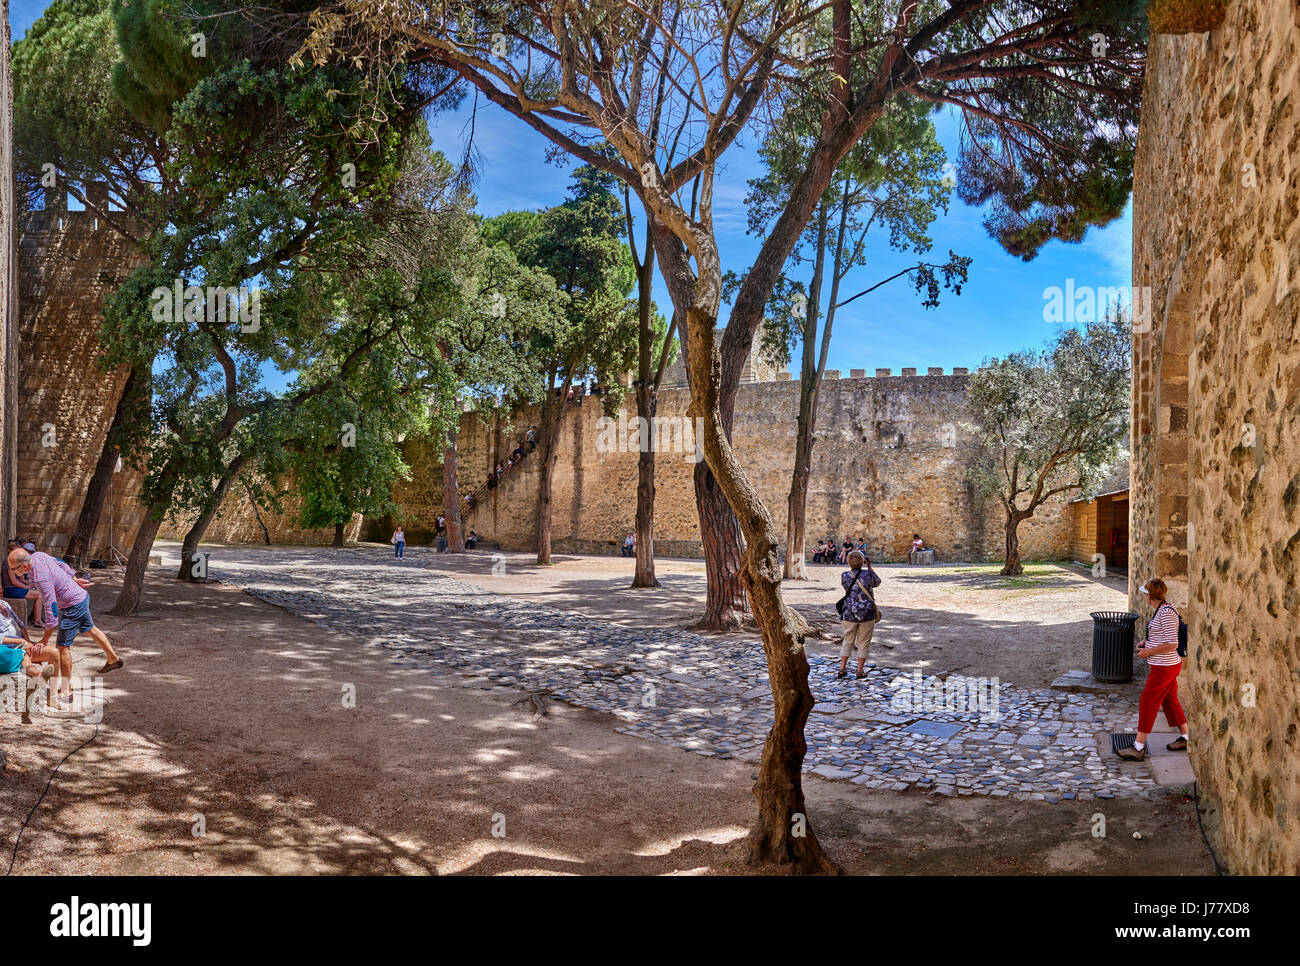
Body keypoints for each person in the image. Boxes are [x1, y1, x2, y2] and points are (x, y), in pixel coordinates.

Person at [7, 548, 122, 706]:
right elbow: (59, 562)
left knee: (62, 647)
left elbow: (51, 608)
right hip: (79, 596)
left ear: (24, 566)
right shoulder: (38, 555)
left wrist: (45, 639)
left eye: (13, 569)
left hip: (72, 606)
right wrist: (74, 578)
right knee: (90, 629)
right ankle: (113, 659)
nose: (11, 571)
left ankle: (66, 690)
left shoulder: (41, 579)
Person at [1117, 579, 1189, 760]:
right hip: (1166, 665)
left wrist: (1148, 651)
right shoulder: (1164, 609)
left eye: (1146, 594)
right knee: (1170, 700)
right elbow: (1163, 637)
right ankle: (1185, 737)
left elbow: (1172, 643)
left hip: (1165, 667)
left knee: (1147, 701)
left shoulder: (1165, 613)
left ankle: (1138, 747)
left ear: (1150, 596)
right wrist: (1146, 643)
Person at [837, 551, 882, 679]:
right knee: (864, 642)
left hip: (849, 612)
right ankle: (860, 670)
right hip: (867, 614)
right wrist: (869, 566)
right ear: (862, 561)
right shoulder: (868, 575)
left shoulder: (845, 575)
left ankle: (842, 667)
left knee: (847, 640)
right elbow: (877, 582)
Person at [0, 598, 58, 683]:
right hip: (8, 648)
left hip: (22, 644)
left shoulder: (4, 604)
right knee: (25, 659)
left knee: (54, 653)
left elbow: (20, 624)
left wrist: (29, 642)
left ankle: (53, 691)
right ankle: (39, 675)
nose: (0, 589)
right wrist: (22, 642)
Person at [2, 538, 31, 622]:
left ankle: (35, 617)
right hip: (11, 589)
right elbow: (14, 581)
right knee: (39, 595)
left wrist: (28, 584)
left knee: (38, 593)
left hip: (14, 588)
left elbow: (20, 577)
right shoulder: (9, 562)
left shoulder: (14, 561)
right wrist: (26, 587)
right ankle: (37, 619)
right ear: (8, 550)